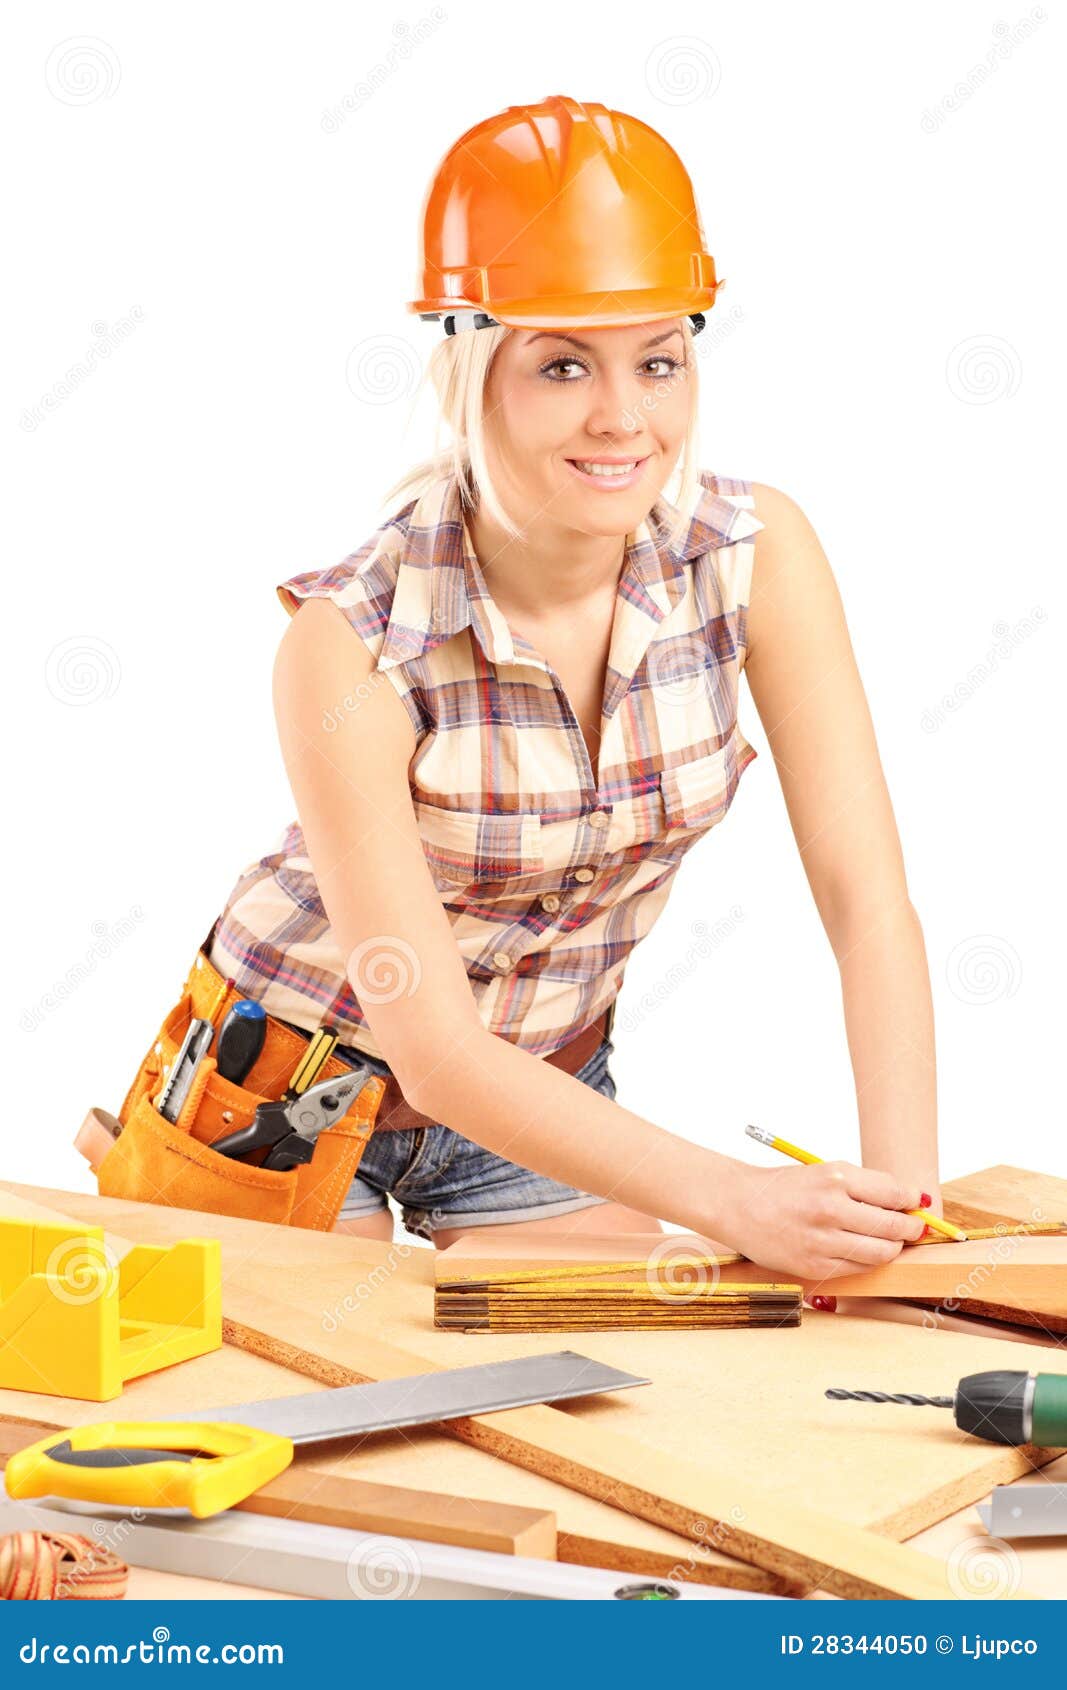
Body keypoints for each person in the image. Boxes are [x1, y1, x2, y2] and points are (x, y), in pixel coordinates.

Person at [207, 96, 940, 1277]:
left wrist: (902, 1217)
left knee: (615, 1416)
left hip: (549, 1098)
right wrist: (732, 1201)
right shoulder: (349, 644)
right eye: (560, 366)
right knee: (328, 1430)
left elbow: (868, 906)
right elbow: (435, 1049)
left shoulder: (753, 557)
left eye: (657, 360)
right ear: (470, 372)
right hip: (283, 1101)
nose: (621, 418)